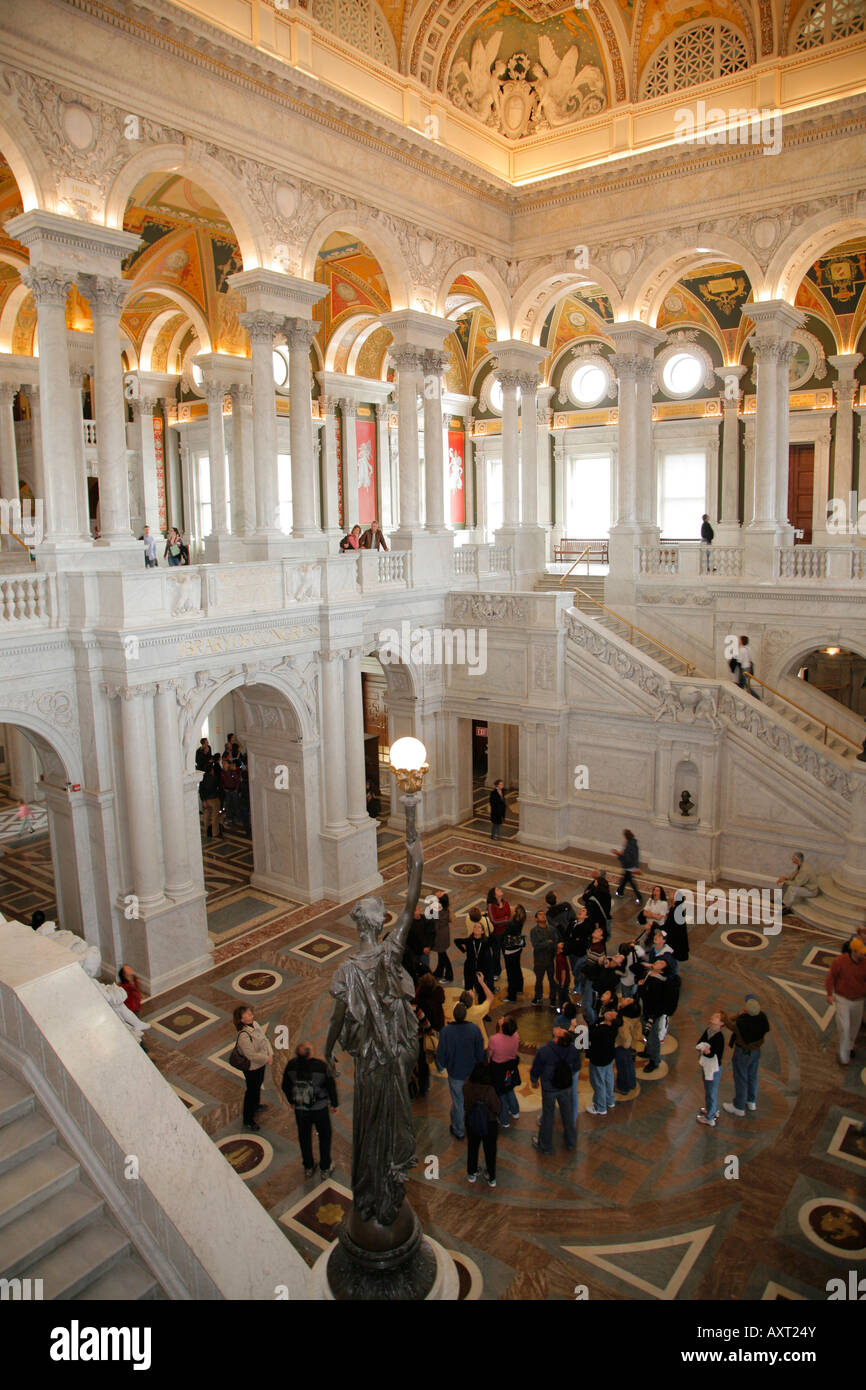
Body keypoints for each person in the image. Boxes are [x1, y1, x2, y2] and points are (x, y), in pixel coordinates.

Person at [282, 1041, 338, 1179]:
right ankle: (325, 1167)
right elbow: (331, 1086)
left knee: (304, 1137)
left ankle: (308, 1166)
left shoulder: (292, 1065)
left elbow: (285, 1085)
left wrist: (292, 1101)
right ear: (310, 1054)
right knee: (325, 1137)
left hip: (301, 1110)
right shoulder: (320, 1066)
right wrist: (334, 1104)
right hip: (320, 1109)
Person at [436, 1001, 485, 1140]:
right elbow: (480, 1052)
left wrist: (441, 1067)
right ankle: (473, 1125)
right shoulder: (474, 1029)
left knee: (458, 1102)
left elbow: (441, 1053)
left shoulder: (446, 1032)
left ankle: (459, 1130)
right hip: (472, 1073)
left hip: (455, 1073)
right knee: (472, 1100)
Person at [530, 1025, 580, 1153]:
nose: (559, 1029)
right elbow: (576, 1067)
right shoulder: (573, 1050)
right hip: (566, 1087)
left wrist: (534, 1080)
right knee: (567, 1114)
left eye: (560, 1031)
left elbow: (536, 1068)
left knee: (547, 1115)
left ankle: (545, 1145)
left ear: (558, 1039)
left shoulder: (545, 1050)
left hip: (549, 1088)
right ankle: (571, 1141)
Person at [722, 994, 771, 1115]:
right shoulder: (762, 1018)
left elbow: (730, 1025)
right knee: (752, 1076)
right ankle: (751, 1101)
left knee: (741, 1078)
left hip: (742, 1053)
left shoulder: (743, 1023)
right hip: (756, 1052)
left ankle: (738, 1107)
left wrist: (724, 1017)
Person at [824, 936, 866, 1067]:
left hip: (859, 999)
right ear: (854, 951)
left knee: (854, 1026)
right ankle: (843, 1057)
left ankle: (849, 1046)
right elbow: (831, 977)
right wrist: (830, 994)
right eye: (861, 952)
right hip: (843, 999)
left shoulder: (865, 963)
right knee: (845, 1027)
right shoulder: (840, 962)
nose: (863, 954)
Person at [232, 1005, 272, 1132]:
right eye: (248, 1014)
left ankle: (256, 1105)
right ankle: (248, 1119)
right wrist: (267, 1058)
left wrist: (270, 1053)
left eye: (250, 1013)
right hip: (252, 1067)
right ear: (241, 1020)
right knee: (251, 1090)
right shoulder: (243, 1035)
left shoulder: (255, 1024)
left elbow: (265, 1039)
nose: (252, 1015)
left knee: (258, 1085)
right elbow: (251, 1055)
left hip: (261, 1063)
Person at [463, 1061, 500, 1188]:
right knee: (490, 1150)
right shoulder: (489, 1090)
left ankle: (472, 1173)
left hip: (471, 1121)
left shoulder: (467, 1085)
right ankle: (491, 1177)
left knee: (472, 1147)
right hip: (489, 1123)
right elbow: (497, 1108)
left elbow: (466, 1104)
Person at [489, 1015, 521, 1128]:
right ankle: (515, 1111)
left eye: (503, 1019)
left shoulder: (494, 1039)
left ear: (503, 1027)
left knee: (501, 1092)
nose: (501, 1018)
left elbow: (490, 1054)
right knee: (509, 1087)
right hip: (509, 1069)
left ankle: (504, 1120)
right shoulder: (516, 1036)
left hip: (498, 1070)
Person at [586, 1007, 619, 1115]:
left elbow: (590, 1037)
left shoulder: (602, 1031)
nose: (610, 1012)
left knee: (598, 1082)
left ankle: (600, 1107)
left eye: (611, 1014)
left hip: (598, 1059)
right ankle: (610, 1101)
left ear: (611, 1021)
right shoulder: (612, 1028)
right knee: (608, 1078)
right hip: (608, 1057)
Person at [455, 913, 494, 1002]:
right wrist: (463, 950)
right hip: (469, 968)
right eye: (475, 927)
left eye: (479, 927)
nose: (476, 928)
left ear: (483, 931)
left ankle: (481, 1007)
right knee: (468, 989)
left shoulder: (485, 943)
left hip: (481, 969)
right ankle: (467, 1005)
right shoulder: (469, 941)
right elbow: (456, 941)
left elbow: (493, 938)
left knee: (481, 991)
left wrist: (488, 921)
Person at [696, 1011, 725, 1126]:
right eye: (714, 1015)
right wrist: (704, 1049)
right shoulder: (708, 1030)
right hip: (707, 1065)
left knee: (711, 1091)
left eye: (717, 1017)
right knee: (709, 1090)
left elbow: (712, 1053)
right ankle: (712, 1110)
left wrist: (705, 1049)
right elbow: (700, 1043)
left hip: (713, 1069)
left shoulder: (719, 1037)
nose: (713, 1016)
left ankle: (710, 1118)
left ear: (721, 1023)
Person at [615, 994, 642, 1094]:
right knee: (629, 1065)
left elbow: (626, 1039)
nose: (626, 998)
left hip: (622, 1046)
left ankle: (623, 1088)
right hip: (632, 1046)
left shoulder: (624, 1023)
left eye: (628, 1000)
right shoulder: (635, 1015)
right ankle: (632, 1083)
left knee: (622, 1068)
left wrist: (624, 1045)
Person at [530, 909, 558, 1005]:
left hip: (550, 959)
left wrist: (548, 944)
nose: (543, 916)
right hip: (539, 960)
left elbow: (555, 943)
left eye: (544, 915)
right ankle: (538, 996)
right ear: (536, 919)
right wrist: (547, 943)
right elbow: (536, 945)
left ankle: (553, 998)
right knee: (539, 980)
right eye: (540, 915)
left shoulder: (552, 929)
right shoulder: (534, 931)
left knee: (552, 979)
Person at [486, 885, 511, 977]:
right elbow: (494, 921)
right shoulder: (491, 906)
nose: (500, 889)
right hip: (496, 935)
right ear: (494, 895)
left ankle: (509, 971)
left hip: (505, 933)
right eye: (497, 889)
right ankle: (496, 972)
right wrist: (505, 919)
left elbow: (509, 917)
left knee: (507, 954)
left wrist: (503, 920)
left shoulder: (506, 903)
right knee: (496, 955)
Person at [502, 905, 526, 1001]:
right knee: (517, 968)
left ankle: (511, 996)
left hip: (510, 950)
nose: (511, 907)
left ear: (516, 912)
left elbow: (504, 935)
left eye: (513, 907)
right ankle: (519, 988)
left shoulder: (512, 924)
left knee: (510, 972)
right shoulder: (519, 922)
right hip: (517, 948)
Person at [613, 829, 642, 905]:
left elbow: (627, 857)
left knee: (631, 882)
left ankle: (639, 897)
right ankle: (620, 892)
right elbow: (635, 856)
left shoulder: (630, 844)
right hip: (630, 866)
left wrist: (618, 854)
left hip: (629, 866)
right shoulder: (632, 843)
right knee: (625, 879)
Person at [431, 889, 453, 982]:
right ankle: (439, 972)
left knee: (443, 955)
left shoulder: (437, 910)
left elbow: (435, 924)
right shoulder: (445, 907)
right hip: (444, 933)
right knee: (441, 955)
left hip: (439, 936)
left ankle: (449, 975)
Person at [199, 761, 222, 839]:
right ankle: (215, 833)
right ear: (211, 770)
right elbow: (218, 788)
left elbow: (200, 790)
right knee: (214, 817)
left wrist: (203, 800)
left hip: (206, 800)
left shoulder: (202, 778)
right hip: (214, 799)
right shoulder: (214, 778)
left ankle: (206, 831)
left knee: (206, 816)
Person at [665, 889, 690, 962]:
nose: (670, 893)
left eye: (673, 893)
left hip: (676, 937)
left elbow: (672, 926)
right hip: (676, 935)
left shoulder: (677, 910)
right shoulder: (675, 907)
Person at [220, 753, 241, 827]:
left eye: (224, 764)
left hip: (234, 791)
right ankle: (229, 818)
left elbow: (237, 781)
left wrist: (236, 789)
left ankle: (238, 818)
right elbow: (222, 781)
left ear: (228, 765)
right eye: (223, 764)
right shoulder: (222, 772)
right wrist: (224, 788)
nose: (223, 765)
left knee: (236, 805)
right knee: (228, 805)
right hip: (227, 791)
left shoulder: (232, 772)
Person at [554, 940, 571, 1007]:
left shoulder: (560, 958)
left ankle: (561, 1010)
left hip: (562, 981)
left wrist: (562, 984)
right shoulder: (559, 955)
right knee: (564, 995)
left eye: (562, 944)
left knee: (562, 997)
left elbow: (563, 971)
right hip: (564, 980)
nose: (561, 943)